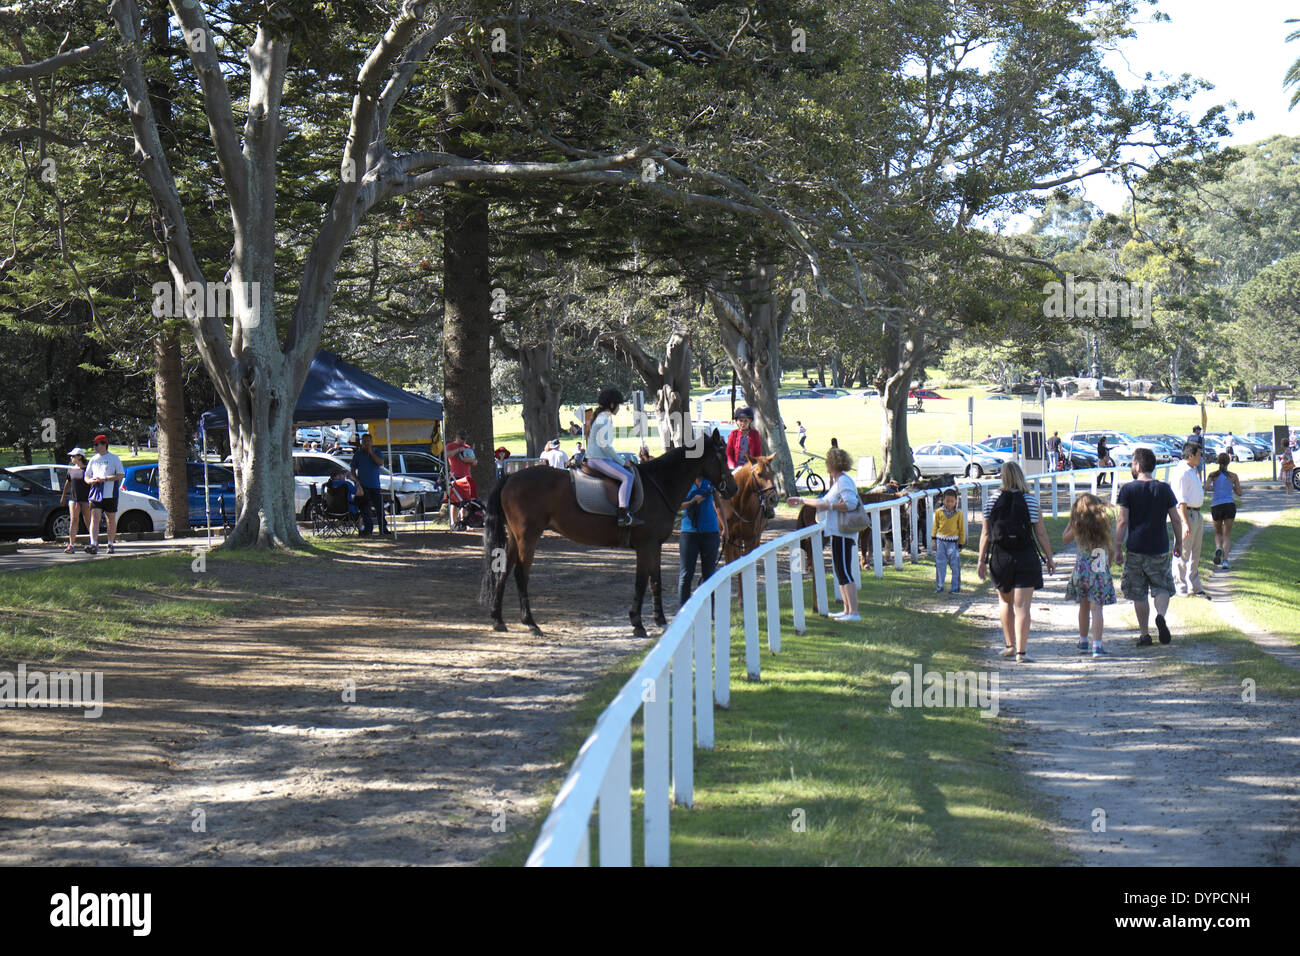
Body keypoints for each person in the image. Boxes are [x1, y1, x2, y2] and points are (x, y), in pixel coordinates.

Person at [977, 462, 1056, 662]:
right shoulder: (1030, 500)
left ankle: (1009, 646)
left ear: (1003, 477)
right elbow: (1040, 533)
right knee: (1023, 607)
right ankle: (1022, 652)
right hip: (1025, 556)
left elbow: (986, 533)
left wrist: (981, 561)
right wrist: (1049, 558)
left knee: (1005, 602)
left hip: (1000, 557)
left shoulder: (991, 501)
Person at [1116, 447, 1183, 647]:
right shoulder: (1164, 489)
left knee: (1138, 592)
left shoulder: (1128, 490)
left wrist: (1117, 546)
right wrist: (1178, 542)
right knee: (1161, 586)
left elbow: (1122, 521)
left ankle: (1145, 634)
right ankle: (1160, 615)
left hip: (1136, 547)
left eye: (1132, 462)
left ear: (1137, 465)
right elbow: (1176, 520)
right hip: (1159, 546)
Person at [787, 446, 861, 620]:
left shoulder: (843, 481)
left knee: (844, 571)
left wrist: (831, 507)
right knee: (840, 570)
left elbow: (850, 504)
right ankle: (847, 609)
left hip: (844, 533)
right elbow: (823, 501)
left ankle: (854, 612)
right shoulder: (838, 482)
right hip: (837, 532)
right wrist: (801, 500)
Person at [1062, 494, 1120, 657]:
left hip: (1082, 570)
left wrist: (1071, 522)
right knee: (1097, 608)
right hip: (1099, 567)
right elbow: (1109, 546)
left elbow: (1065, 539)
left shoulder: (1078, 524)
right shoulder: (1103, 523)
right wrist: (1109, 562)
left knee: (1083, 606)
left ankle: (1083, 641)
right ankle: (1097, 645)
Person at [585, 388, 642, 527]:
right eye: (618, 405)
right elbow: (606, 446)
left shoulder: (602, 418)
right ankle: (624, 515)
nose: (619, 408)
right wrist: (622, 462)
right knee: (628, 477)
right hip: (597, 459)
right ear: (612, 405)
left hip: (598, 458)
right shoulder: (604, 420)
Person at [1170, 441, 1207, 598]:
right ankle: (1180, 585)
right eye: (1199, 454)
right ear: (1190, 455)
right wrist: (1185, 523)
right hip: (1188, 514)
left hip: (1197, 514)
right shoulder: (1182, 473)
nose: (1200, 457)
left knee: (1195, 551)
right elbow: (1181, 501)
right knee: (1183, 551)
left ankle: (1194, 584)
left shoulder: (1192, 470)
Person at [678, 474, 720, 606]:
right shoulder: (684, 481)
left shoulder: (710, 481)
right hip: (689, 532)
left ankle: (710, 612)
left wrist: (725, 527)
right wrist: (691, 502)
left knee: (709, 574)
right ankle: (682, 614)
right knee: (686, 575)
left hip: (710, 531)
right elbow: (676, 506)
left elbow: (718, 504)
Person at [83, 435, 125, 555]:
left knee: (110, 519)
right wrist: (90, 481)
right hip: (96, 494)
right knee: (95, 518)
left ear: (103, 444)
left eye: (97, 444)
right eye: (95, 444)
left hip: (110, 494)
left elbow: (121, 474)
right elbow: (87, 476)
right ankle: (93, 544)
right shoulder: (93, 459)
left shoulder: (114, 458)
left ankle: (110, 544)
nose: (95, 447)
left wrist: (105, 479)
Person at [1205, 452, 1243, 569]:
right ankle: (1225, 561)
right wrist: (1231, 488)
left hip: (1216, 506)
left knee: (1218, 532)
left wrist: (1214, 488)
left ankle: (1218, 548)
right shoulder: (1233, 476)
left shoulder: (1212, 475)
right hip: (1229, 505)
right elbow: (1239, 493)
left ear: (1218, 462)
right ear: (1228, 462)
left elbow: (1206, 487)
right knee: (1227, 535)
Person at [350, 432, 388, 537]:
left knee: (379, 509)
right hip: (363, 487)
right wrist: (356, 481)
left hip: (375, 486)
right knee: (365, 510)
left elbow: (380, 463)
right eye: (364, 441)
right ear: (362, 442)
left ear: (372, 442)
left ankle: (383, 528)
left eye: (368, 441)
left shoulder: (377, 451)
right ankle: (368, 529)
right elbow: (352, 470)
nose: (366, 443)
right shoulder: (358, 454)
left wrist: (371, 453)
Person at [930, 487, 966, 594]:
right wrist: (933, 540)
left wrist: (960, 543)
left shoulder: (959, 514)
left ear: (956, 501)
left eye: (952, 501)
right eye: (947, 501)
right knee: (940, 563)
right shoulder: (939, 512)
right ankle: (940, 586)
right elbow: (935, 526)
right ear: (943, 500)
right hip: (941, 541)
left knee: (955, 565)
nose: (949, 503)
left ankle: (955, 587)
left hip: (953, 543)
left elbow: (961, 529)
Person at [59, 448, 90, 554]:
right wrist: (63, 497)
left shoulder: (87, 469)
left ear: (79, 457)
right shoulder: (71, 470)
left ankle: (93, 542)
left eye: (73, 456)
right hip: (74, 499)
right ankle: (71, 545)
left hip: (86, 499)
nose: (71, 458)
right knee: (74, 520)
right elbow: (67, 484)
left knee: (88, 521)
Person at [445, 428, 477, 531]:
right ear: (457, 437)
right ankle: (453, 523)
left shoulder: (468, 447)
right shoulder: (450, 446)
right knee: (455, 501)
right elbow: (446, 455)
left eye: (465, 439)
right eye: (462, 439)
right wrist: (458, 450)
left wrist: (472, 460)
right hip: (455, 477)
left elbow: (475, 461)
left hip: (467, 477)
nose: (463, 441)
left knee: (466, 501)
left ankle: (465, 522)